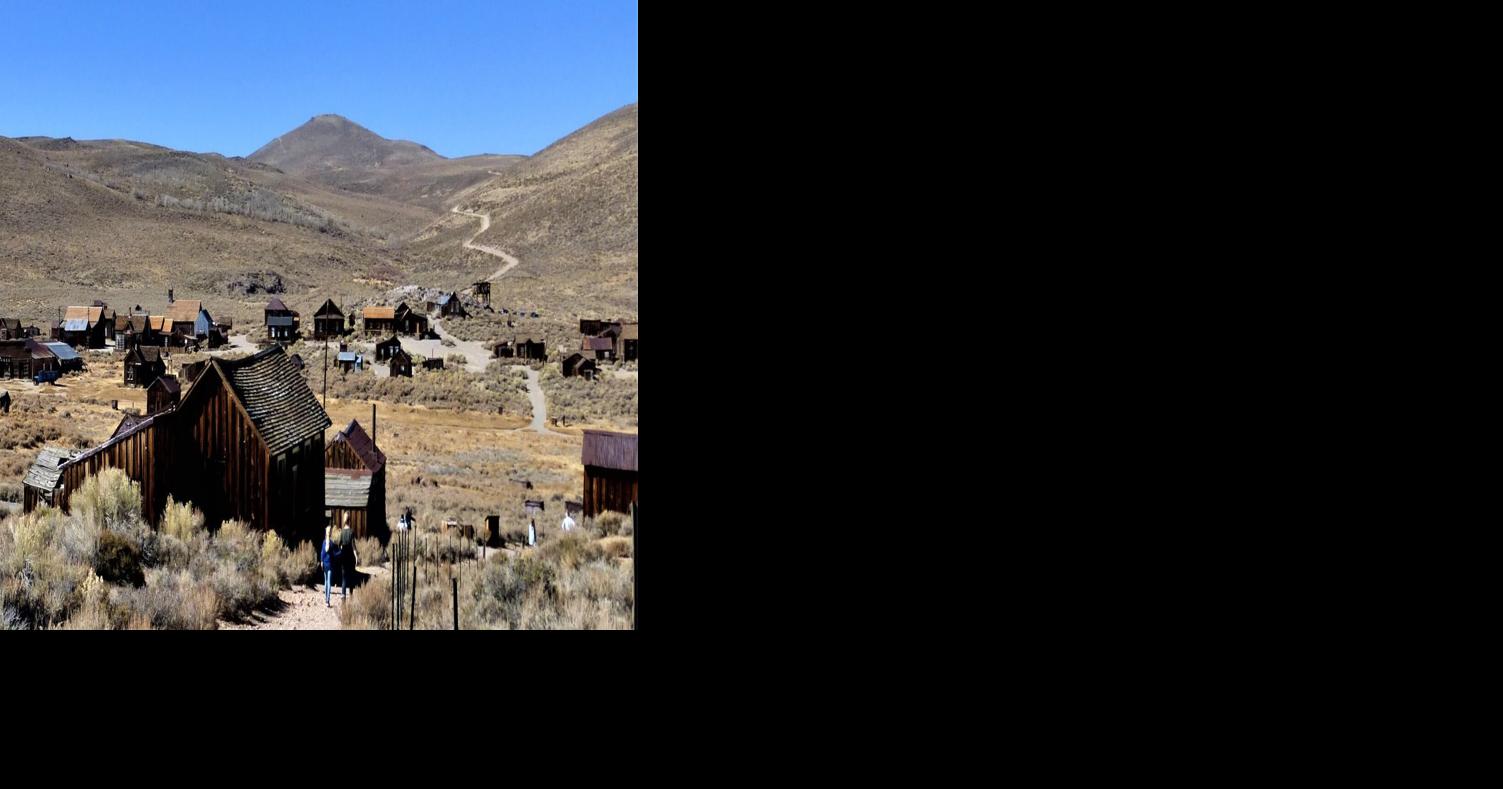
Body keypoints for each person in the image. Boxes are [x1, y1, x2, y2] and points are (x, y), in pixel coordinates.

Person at [320, 525, 341, 608]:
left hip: (324, 564)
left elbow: (322, 553)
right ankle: (328, 600)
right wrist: (341, 550)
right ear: (331, 533)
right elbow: (335, 554)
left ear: (326, 533)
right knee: (329, 582)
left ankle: (326, 599)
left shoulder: (324, 542)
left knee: (325, 582)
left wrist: (321, 561)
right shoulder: (332, 544)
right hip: (330, 564)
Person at [338, 514, 358, 600]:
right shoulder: (351, 532)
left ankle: (343, 595)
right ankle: (351, 595)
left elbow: (339, 545)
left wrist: (342, 548)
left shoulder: (341, 532)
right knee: (351, 577)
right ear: (349, 521)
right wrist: (356, 556)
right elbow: (353, 546)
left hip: (343, 556)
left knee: (344, 577)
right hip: (350, 556)